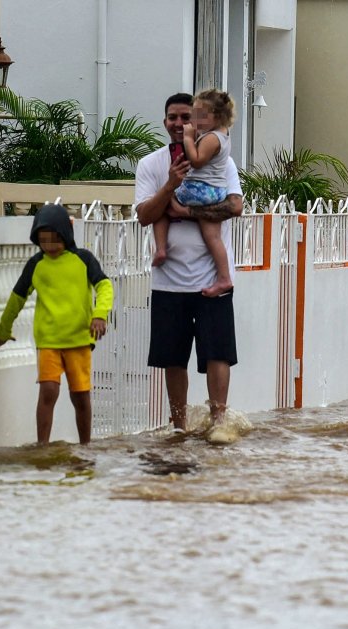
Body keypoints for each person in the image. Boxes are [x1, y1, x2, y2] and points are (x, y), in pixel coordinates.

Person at [134, 93, 242, 438]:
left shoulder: (219, 158)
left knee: (218, 352)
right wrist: (170, 185)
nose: (179, 124)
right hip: (168, 281)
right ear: (165, 122)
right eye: (173, 118)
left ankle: (219, 422)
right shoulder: (150, 164)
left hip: (210, 279)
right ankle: (179, 424)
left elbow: (235, 206)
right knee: (172, 358)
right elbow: (144, 216)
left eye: (186, 117)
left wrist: (188, 212)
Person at [0, 204, 114, 445]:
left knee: (80, 396)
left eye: (54, 240)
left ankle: (85, 445)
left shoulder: (83, 259)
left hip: (79, 339)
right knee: (48, 390)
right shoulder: (36, 264)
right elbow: (16, 299)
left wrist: (100, 314)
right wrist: (3, 330)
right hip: (48, 340)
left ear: (66, 235)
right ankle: (42, 445)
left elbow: (104, 286)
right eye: (43, 241)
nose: (49, 246)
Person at [150, 88, 235, 298]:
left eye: (195, 116)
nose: (189, 123)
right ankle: (223, 277)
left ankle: (161, 248)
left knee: (162, 202)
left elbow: (196, 160)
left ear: (215, 116)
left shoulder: (211, 138)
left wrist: (188, 138)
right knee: (212, 236)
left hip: (200, 192)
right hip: (209, 193)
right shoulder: (221, 135)